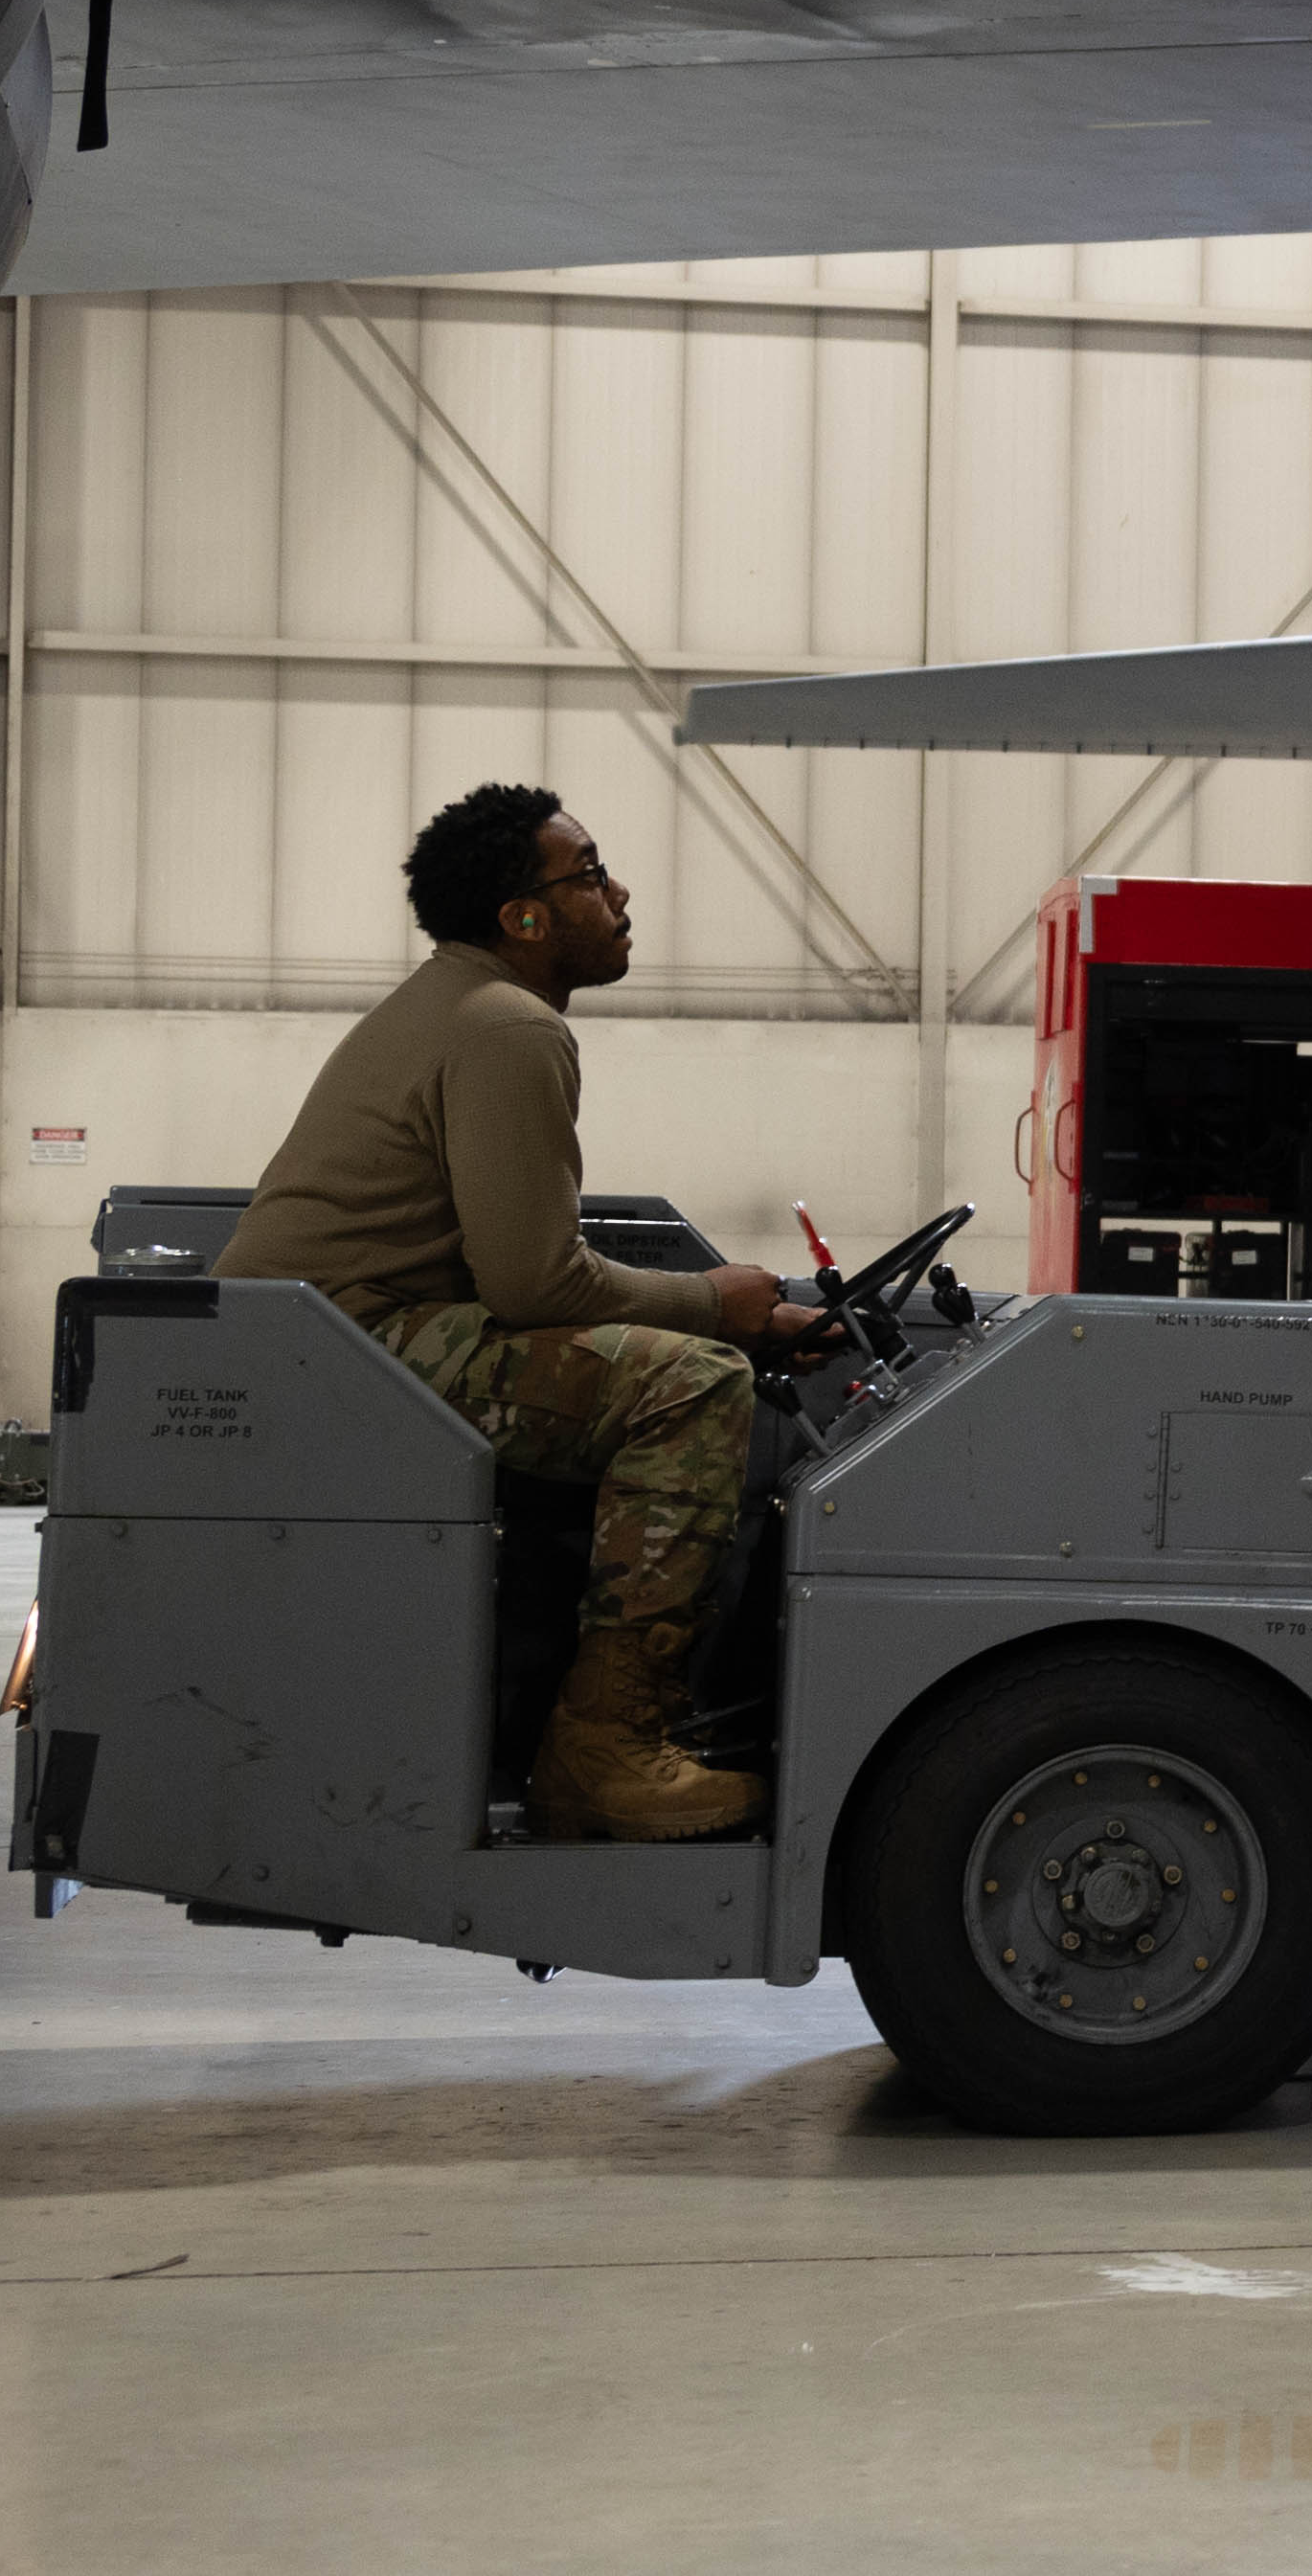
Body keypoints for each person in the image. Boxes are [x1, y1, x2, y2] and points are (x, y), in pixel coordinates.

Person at [215, 786, 828, 1842]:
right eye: (590, 874)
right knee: (691, 1386)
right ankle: (605, 1748)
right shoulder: (507, 1026)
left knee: (683, 1355)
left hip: (322, 1340)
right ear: (524, 917)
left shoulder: (464, 1005)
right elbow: (535, 1286)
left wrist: (736, 1312)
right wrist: (713, 1308)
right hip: (348, 1350)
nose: (619, 893)